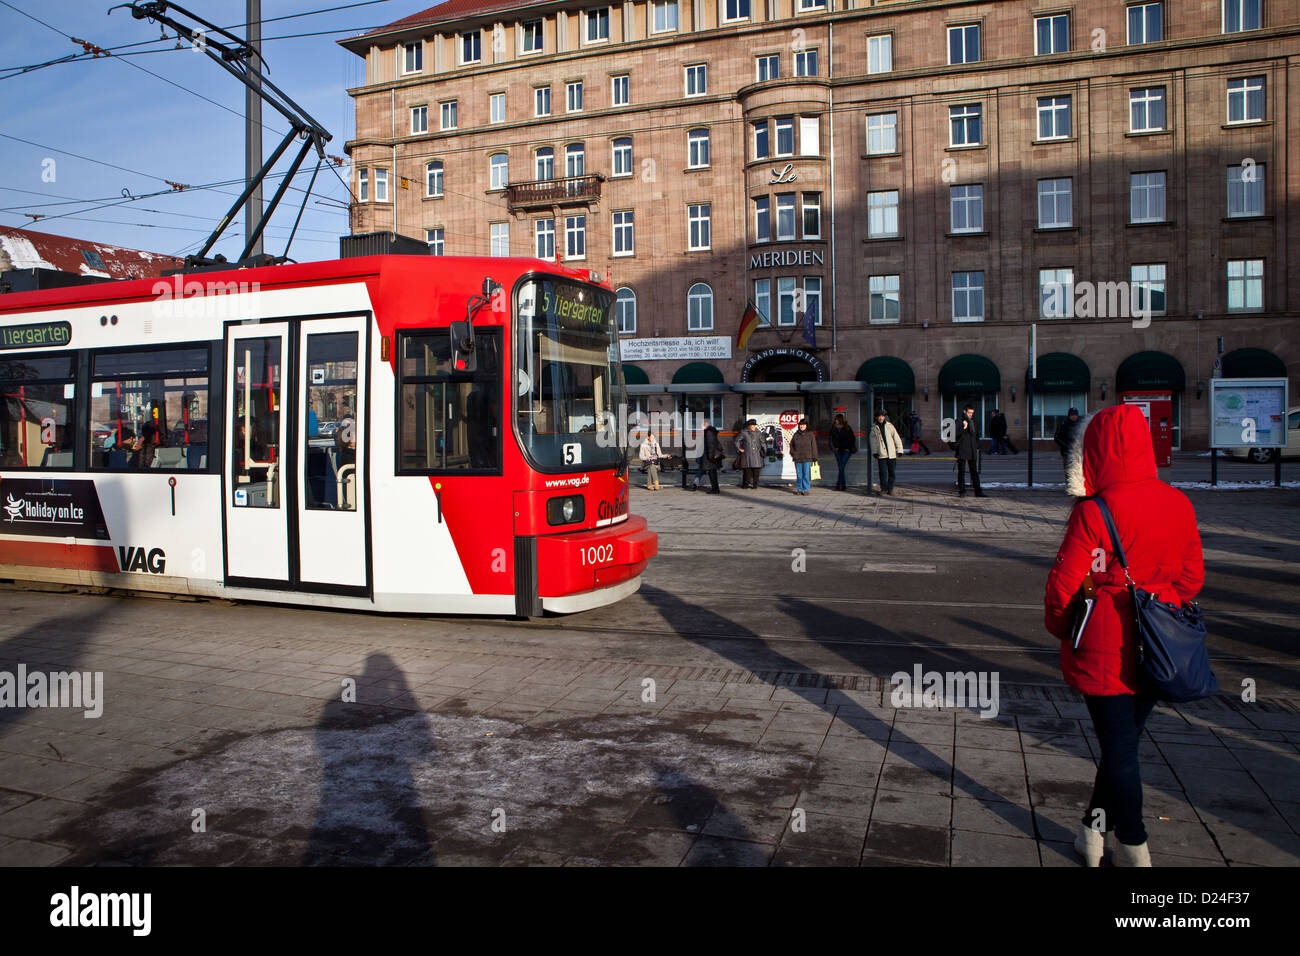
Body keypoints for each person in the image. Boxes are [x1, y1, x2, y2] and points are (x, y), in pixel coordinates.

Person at [1044, 404, 1204, 867]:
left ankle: (1134, 845)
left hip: (1105, 647)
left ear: (1094, 451)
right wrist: (1158, 593)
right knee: (1123, 746)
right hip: (1161, 644)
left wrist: (1064, 626)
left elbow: (1065, 584)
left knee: (1119, 749)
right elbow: (1192, 579)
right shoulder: (1178, 501)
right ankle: (1090, 835)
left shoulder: (1095, 511)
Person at [950, 403, 986, 497]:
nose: (970, 415)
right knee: (961, 471)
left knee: (974, 471)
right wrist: (963, 428)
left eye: (972, 413)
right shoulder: (958, 421)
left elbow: (976, 435)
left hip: (972, 449)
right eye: (969, 413)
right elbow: (952, 435)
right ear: (964, 411)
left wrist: (977, 445)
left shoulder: (973, 421)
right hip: (962, 449)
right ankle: (962, 491)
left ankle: (978, 492)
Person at [868, 408, 904, 496]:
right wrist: (875, 452)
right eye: (879, 416)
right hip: (882, 454)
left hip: (891, 453)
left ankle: (890, 489)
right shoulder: (874, 428)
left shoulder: (889, 426)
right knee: (883, 472)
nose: (881, 418)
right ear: (876, 417)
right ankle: (883, 489)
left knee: (892, 472)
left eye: (882, 416)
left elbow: (896, 438)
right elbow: (872, 441)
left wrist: (899, 449)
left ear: (884, 417)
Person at [828, 413, 857, 491]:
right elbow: (831, 439)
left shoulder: (847, 428)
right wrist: (834, 448)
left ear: (840, 420)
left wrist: (850, 448)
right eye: (835, 419)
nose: (835, 421)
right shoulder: (833, 428)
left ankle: (839, 485)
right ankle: (842, 486)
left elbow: (852, 439)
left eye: (837, 419)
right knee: (841, 468)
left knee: (841, 467)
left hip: (846, 450)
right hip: (837, 451)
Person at [789, 418, 818, 495]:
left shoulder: (810, 434)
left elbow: (814, 446)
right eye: (801, 425)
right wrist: (793, 453)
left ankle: (806, 490)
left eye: (804, 425)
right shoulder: (796, 434)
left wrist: (814, 456)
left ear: (806, 426)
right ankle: (799, 489)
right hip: (797, 458)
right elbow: (791, 445)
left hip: (808, 458)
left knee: (806, 475)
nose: (802, 426)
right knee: (799, 475)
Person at [692, 420, 722, 494]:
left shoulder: (708, 432)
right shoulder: (711, 432)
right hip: (711, 456)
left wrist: (710, 456)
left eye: (701, 425)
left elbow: (710, 445)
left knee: (712, 473)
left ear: (704, 425)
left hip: (709, 457)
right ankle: (715, 489)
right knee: (712, 473)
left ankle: (715, 489)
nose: (700, 427)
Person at [736, 419, 765, 489]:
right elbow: (737, 440)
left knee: (756, 471)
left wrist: (764, 451)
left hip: (757, 454)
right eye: (752, 425)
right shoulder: (744, 433)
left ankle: (755, 485)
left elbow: (763, 442)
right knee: (747, 471)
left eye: (754, 425)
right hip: (747, 454)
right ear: (749, 426)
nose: (754, 427)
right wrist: (739, 448)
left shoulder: (758, 433)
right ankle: (746, 484)